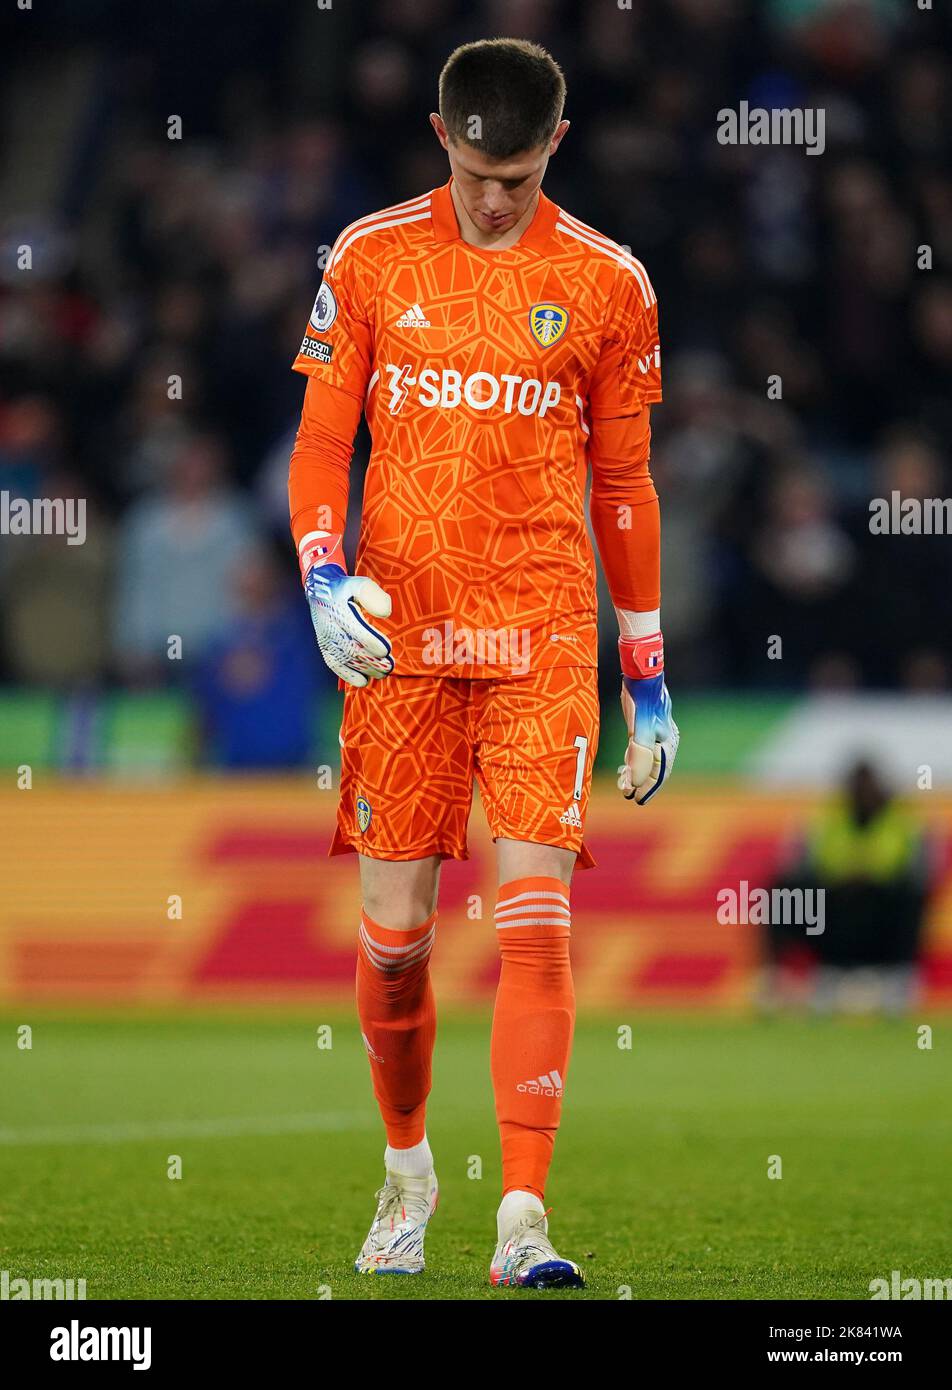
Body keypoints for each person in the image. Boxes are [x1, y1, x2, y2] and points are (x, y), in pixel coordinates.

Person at [287, 38, 679, 1290]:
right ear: (441, 138)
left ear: (553, 145)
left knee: (535, 924)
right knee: (396, 942)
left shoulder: (608, 283)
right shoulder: (369, 256)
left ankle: (522, 1220)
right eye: (474, 167)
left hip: (539, 634)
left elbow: (623, 484)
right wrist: (317, 570)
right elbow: (320, 440)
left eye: (514, 172)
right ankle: (408, 1171)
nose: (493, 195)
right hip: (400, 639)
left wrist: (647, 670)